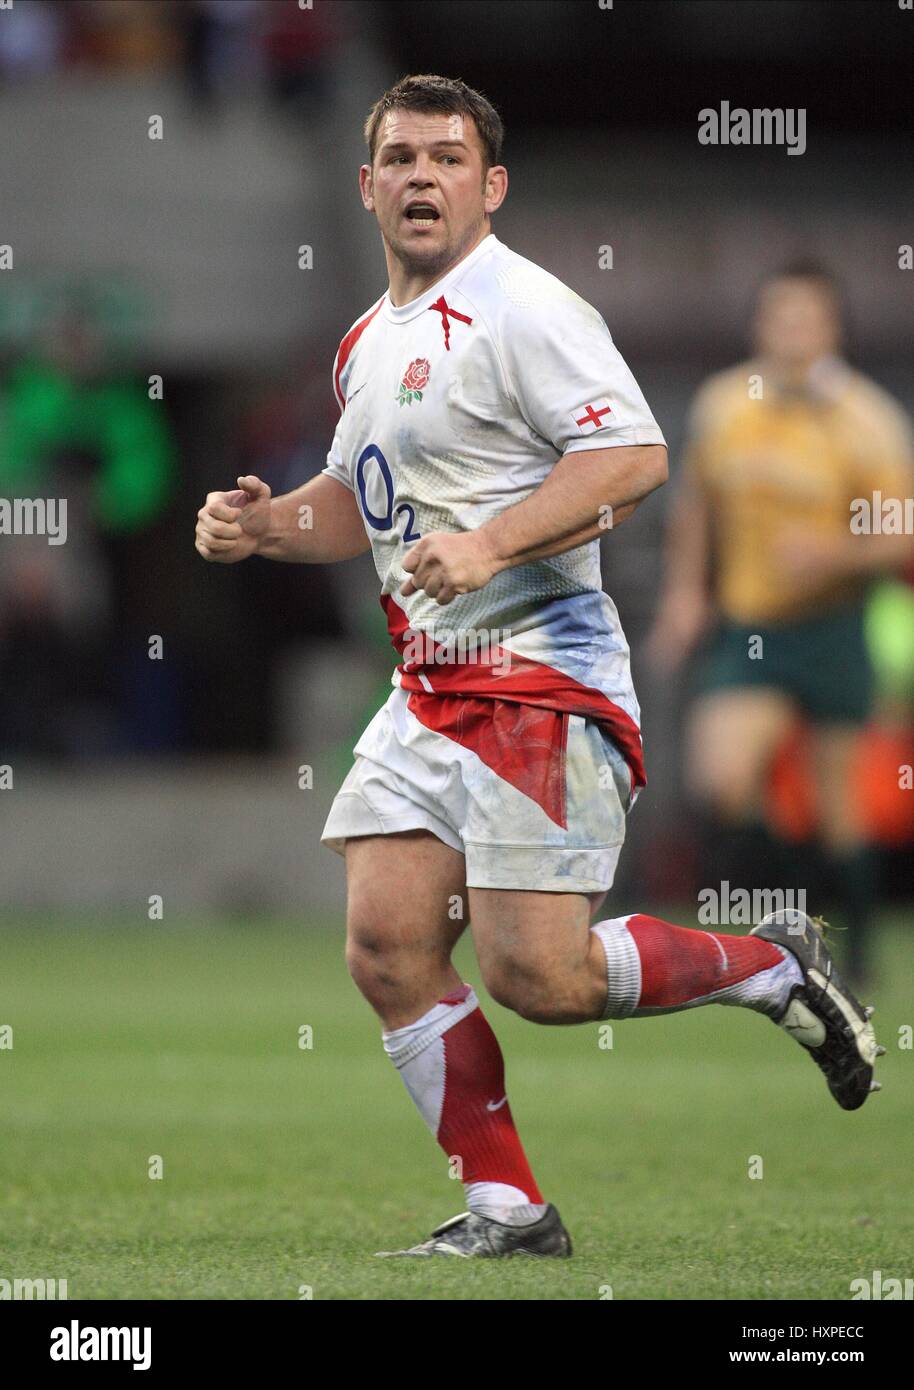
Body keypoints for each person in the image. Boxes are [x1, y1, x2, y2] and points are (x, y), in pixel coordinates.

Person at [195, 76, 882, 1260]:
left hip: (536, 683)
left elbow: (631, 456)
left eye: (447, 159)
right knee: (385, 943)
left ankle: (770, 966)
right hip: (428, 685)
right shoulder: (369, 338)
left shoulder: (526, 307)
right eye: (400, 158)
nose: (422, 177)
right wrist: (267, 526)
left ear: (488, 185)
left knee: (540, 977)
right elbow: (359, 510)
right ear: (365, 188)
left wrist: (492, 539)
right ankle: (509, 1212)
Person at [649, 263, 914, 986]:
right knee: (723, 780)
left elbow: (904, 533)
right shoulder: (726, 403)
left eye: (808, 318)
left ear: (832, 329)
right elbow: (697, 505)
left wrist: (835, 550)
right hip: (751, 627)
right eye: (780, 316)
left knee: (841, 811)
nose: (792, 331)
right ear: (759, 325)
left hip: (832, 625)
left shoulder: (869, 418)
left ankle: (855, 959)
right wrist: (685, 595)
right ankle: (789, 930)